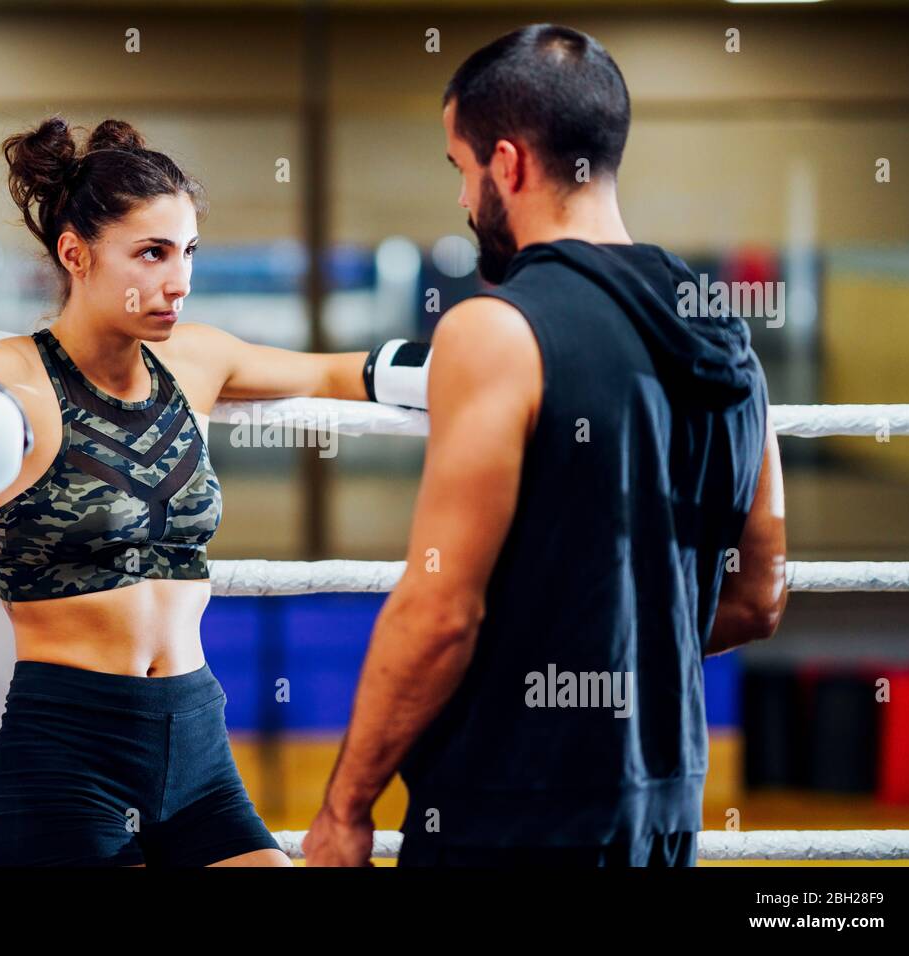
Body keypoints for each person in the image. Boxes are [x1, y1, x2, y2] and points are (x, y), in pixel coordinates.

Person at [0, 115, 431, 866]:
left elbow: (343, 373)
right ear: (76, 254)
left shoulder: (197, 361)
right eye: (153, 254)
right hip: (65, 759)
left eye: (189, 252)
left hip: (195, 740)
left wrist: (487, 368)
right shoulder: (1, 375)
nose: (181, 281)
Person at [303, 24, 787, 868]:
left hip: (512, 814)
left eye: (461, 169)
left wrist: (346, 805)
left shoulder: (495, 331)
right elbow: (758, 598)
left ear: (508, 163)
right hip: (664, 811)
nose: (462, 201)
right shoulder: (725, 332)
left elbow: (442, 610)